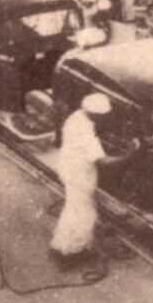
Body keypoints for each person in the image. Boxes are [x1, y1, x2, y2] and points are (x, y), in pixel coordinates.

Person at [51, 93, 115, 263]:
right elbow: (104, 162)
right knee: (84, 214)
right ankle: (71, 251)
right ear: (95, 114)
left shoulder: (77, 116)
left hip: (68, 166)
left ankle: (65, 246)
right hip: (79, 174)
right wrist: (131, 154)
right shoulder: (86, 134)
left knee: (75, 207)